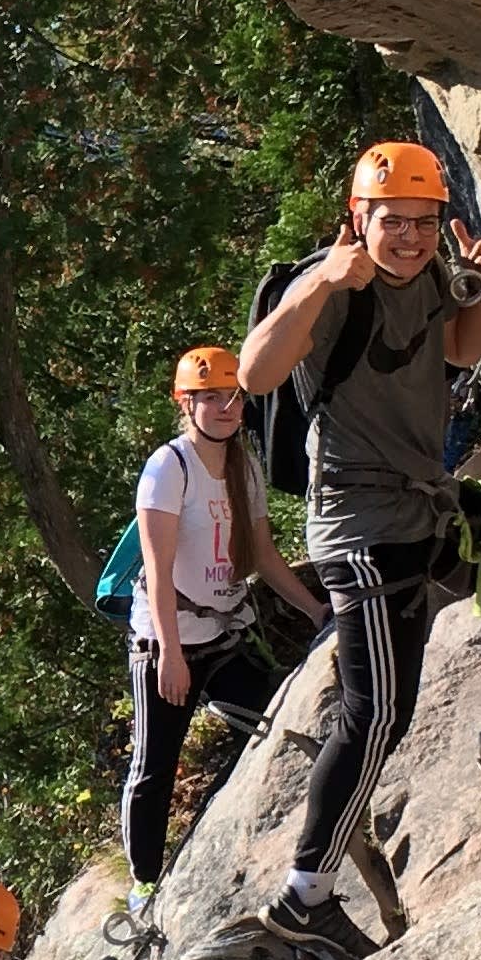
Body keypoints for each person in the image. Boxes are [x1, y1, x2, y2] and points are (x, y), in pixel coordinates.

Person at [235, 140, 481, 960]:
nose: (407, 236)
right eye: (390, 221)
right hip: (363, 530)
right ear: (356, 218)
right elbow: (255, 375)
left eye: (423, 221)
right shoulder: (326, 287)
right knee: (376, 713)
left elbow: (461, 353)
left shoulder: (433, 271)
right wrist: (324, 281)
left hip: (427, 510)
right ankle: (304, 900)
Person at [122, 346, 325, 914]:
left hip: (224, 635)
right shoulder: (169, 467)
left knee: (271, 728)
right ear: (185, 404)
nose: (225, 407)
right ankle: (143, 884)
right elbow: (158, 571)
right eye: (210, 397)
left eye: (232, 396)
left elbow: (262, 553)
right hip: (167, 640)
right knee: (155, 763)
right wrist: (168, 653)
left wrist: (313, 610)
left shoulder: (243, 464)